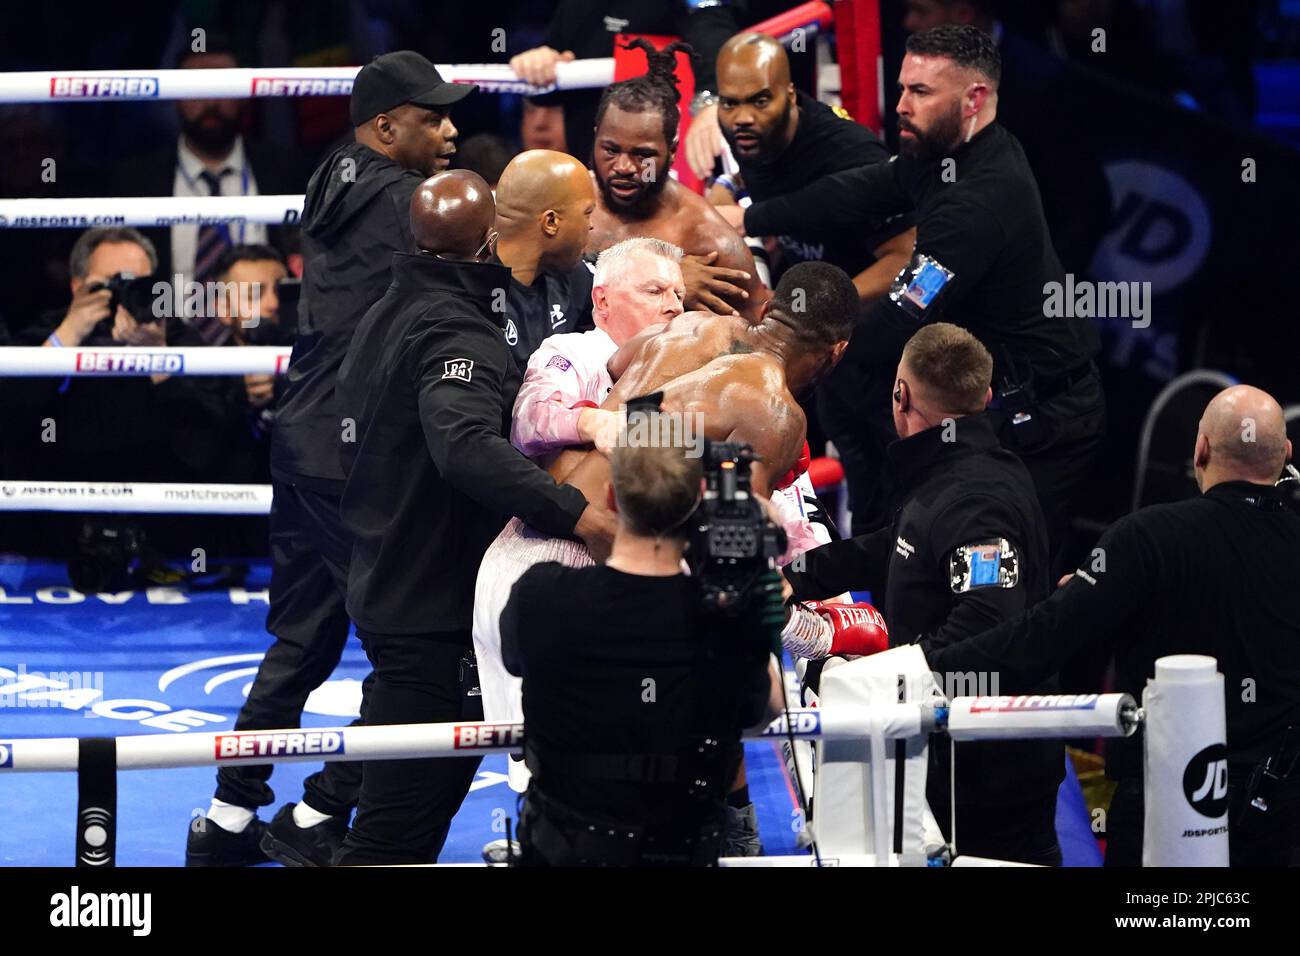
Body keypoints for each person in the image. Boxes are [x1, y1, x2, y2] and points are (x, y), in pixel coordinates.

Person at [188, 51, 474, 867]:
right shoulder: (407, 200)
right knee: (411, 645)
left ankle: (228, 817)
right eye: (433, 116)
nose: (450, 130)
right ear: (388, 126)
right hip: (355, 453)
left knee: (302, 637)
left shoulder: (336, 171)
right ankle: (322, 809)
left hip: (305, 436)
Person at [729, 26, 1105, 561]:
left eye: (921, 92)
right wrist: (746, 214)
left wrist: (790, 350)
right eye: (903, 87)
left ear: (974, 99)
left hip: (1046, 418)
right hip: (1009, 401)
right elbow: (856, 191)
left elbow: (896, 320)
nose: (901, 105)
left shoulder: (977, 202)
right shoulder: (949, 152)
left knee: (1010, 575)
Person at [331, 170, 613, 866]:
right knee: (392, 841)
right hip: (433, 615)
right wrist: (581, 517)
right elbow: (463, 447)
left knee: (396, 820)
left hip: (400, 585)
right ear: (491, 240)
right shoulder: (458, 329)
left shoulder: (391, 305)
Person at [914, 385, 1300, 867]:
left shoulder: (1148, 537)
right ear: (1284, 455)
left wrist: (921, 668)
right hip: (1279, 815)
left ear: (1199, 450)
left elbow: (1039, 640)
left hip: (1166, 807)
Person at [784, 323, 1064, 866]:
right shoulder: (955, 469)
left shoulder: (976, 497)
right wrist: (800, 573)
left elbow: (987, 622)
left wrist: (880, 679)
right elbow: (903, 543)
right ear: (983, 397)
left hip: (985, 768)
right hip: (958, 748)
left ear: (900, 395)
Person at [502, 435, 784, 867]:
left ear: (613, 498)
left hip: (562, 848)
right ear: (698, 509)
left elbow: (515, 660)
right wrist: (749, 577)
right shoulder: (722, 621)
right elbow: (766, 710)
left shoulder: (540, 597)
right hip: (680, 850)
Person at [474, 236, 687, 807]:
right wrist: (599, 424)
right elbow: (529, 419)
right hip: (550, 561)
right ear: (602, 302)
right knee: (555, 767)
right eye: (654, 290)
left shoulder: (701, 368)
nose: (672, 305)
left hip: (642, 578)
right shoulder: (572, 351)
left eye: (678, 293)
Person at [709, 31, 917, 534]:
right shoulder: (753, 140)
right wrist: (725, 184)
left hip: (878, 352)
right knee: (831, 485)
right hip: (821, 356)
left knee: (893, 500)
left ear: (790, 95)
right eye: (729, 103)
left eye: (759, 101)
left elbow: (906, 256)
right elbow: (749, 174)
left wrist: (821, 304)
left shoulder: (848, 154)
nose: (742, 117)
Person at [111, 42, 304, 343]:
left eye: (222, 84)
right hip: (167, 352)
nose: (210, 101)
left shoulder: (286, 170)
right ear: (175, 97)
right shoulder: (135, 181)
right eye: (197, 86)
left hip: (267, 347)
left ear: (243, 93)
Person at [587, 40, 769, 322]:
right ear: (596, 136)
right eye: (611, 150)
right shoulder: (566, 201)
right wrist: (662, 277)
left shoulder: (709, 240)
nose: (623, 167)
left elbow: (757, 340)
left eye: (643, 155)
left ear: (672, 151)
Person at [509, 0, 744, 167]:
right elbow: (550, 82)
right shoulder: (576, 7)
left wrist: (711, 98)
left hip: (666, 173)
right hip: (590, 175)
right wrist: (538, 63)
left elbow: (711, 30)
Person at [492, 150, 597, 370]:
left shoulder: (574, 277)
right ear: (551, 222)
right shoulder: (476, 297)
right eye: (587, 213)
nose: (591, 226)